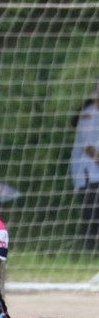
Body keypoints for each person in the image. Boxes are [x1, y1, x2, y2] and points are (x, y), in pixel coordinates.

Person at [69, 89, 99, 249]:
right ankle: (89, 249)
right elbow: (89, 149)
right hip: (88, 173)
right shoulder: (87, 116)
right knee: (91, 212)